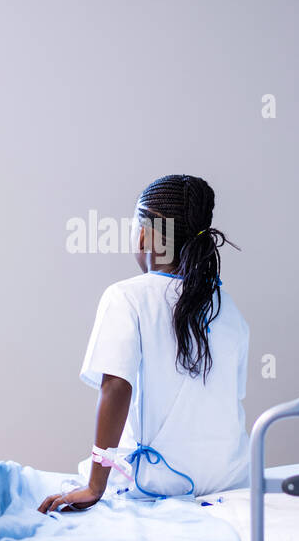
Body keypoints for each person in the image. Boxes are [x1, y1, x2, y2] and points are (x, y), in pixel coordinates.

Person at [38, 174, 249, 513]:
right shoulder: (227, 307)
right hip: (231, 480)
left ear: (146, 234)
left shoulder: (126, 297)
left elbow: (116, 387)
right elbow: (228, 401)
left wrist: (95, 485)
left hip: (160, 484)